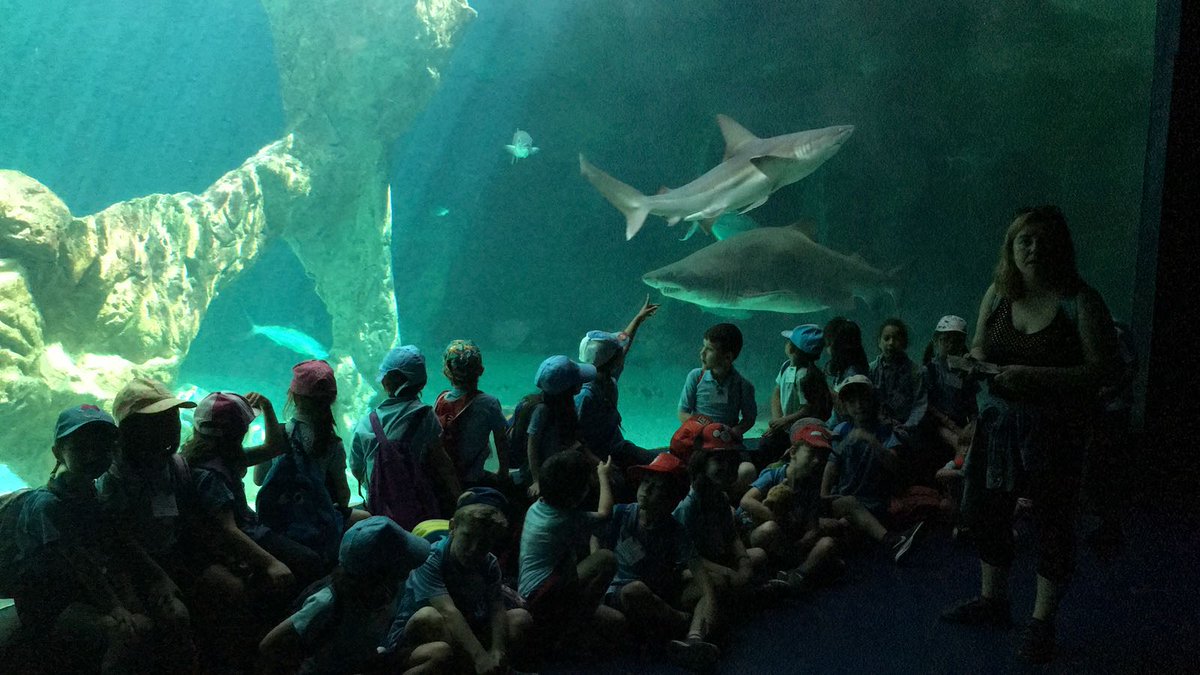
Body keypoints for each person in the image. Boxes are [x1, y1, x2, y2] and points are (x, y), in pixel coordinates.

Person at [940, 205, 1117, 664]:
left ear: (1061, 247)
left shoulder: (1081, 301)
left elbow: (1103, 370)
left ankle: (1042, 621)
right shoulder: (998, 293)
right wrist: (973, 364)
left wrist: (1037, 378)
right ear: (1011, 248)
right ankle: (993, 600)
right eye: (1026, 240)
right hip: (998, 428)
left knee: (1053, 524)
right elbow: (980, 342)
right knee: (985, 513)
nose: (1034, 248)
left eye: (1044, 240)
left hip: (1057, 432)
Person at [10, 405, 192, 673]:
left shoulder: (90, 493)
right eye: (81, 448)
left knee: (165, 619)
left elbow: (115, 543)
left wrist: (158, 578)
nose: (93, 455)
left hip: (83, 591)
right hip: (49, 603)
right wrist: (117, 608)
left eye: (104, 448)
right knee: (128, 633)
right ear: (57, 452)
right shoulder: (47, 505)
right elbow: (80, 562)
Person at [259, 516, 451, 675]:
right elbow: (269, 645)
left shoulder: (387, 589)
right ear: (380, 573)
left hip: (366, 660)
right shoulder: (327, 602)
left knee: (439, 653)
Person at [183, 391, 325, 591]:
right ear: (239, 432)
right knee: (310, 562)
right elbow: (228, 529)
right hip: (241, 540)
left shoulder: (221, 457)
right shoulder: (211, 474)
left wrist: (267, 406)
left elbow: (273, 448)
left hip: (248, 533)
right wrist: (271, 563)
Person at [594, 452, 719, 671]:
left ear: (673, 499)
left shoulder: (675, 531)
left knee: (710, 586)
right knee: (635, 590)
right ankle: (680, 622)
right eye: (645, 482)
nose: (646, 490)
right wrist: (599, 570)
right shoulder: (621, 514)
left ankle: (694, 637)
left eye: (657, 487)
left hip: (659, 593)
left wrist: (706, 614)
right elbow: (594, 534)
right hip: (619, 593)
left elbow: (702, 578)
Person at [394, 488, 533, 674]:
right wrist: (480, 657)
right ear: (453, 527)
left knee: (519, 619)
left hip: (467, 627)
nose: (474, 549)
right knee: (430, 617)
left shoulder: (489, 562)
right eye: (467, 537)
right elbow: (448, 611)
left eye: (484, 542)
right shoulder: (431, 558)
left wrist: (497, 650)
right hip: (426, 638)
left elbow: (497, 606)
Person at [673, 423, 778, 638]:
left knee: (757, 555)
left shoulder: (719, 497)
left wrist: (743, 563)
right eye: (718, 460)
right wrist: (730, 572)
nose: (727, 466)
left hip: (717, 560)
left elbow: (732, 536)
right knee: (720, 582)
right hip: (688, 571)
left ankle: (735, 597)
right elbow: (688, 557)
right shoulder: (689, 505)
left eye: (731, 460)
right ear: (701, 463)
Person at [518, 451, 622, 655]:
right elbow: (604, 514)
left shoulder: (536, 508)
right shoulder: (564, 520)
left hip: (531, 591)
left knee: (617, 623)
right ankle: (573, 631)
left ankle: (572, 624)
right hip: (543, 597)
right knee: (606, 559)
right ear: (577, 493)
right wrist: (602, 475)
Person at [254, 360, 368, 546]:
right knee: (366, 517)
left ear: (293, 396)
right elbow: (343, 497)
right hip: (316, 524)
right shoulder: (332, 443)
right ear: (332, 399)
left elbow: (259, 480)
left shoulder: (277, 435)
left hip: (275, 525)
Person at [351, 346, 462, 527]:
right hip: (419, 509)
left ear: (385, 382)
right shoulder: (425, 416)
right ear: (422, 383)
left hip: (378, 510)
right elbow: (442, 464)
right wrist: (459, 500)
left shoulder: (367, 422)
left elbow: (356, 467)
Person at [820, 376, 923, 564]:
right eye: (852, 401)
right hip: (844, 500)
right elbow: (831, 467)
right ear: (844, 405)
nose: (858, 405)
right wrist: (823, 500)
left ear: (872, 400)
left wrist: (871, 440)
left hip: (874, 503)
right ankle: (892, 541)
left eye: (863, 399)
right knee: (846, 509)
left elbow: (895, 466)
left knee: (844, 526)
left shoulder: (884, 431)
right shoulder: (841, 430)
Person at [738, 424, 841, 591]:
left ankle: (796, 574)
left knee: (827, 543)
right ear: (793, 452)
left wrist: (805, 540)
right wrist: (778, 518)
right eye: (811, 454)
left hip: (791, 542)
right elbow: (746, 501)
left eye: (822, 456)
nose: (817, 461)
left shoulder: (811, 488)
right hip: (759, 536)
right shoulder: (773, 474)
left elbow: (812, 527)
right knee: (770, 529)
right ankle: (794, 570)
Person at [575, 295, 662, 470]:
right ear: (615, 360)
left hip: (615, 447)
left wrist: (638, 319)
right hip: (598, 457)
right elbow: (575, 438)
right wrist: (601, 465)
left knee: (662, 459)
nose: (624, 351)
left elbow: (623, 344)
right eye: (619, 352)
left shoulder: (607, 375)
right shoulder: (585, 395)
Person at [676, 323, 758, 494]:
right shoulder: (695, 377)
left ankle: (725, 499)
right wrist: (700, 428)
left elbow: (749, 418)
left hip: (728, 445)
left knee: (748, 471)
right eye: (703, 347)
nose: (702, 353)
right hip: (699, 441)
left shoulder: (743, 385)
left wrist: (736, 430)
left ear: (728, 357)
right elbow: (683, 411)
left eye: (709, 349)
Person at [434, 341, 511, 490]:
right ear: (480, 370)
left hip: (443, 477)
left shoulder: (440, 400)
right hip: (473, 477)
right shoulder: (489, 403)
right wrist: (503, 472)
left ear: (446, 372)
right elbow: (501, 440)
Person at [521, 355, 598, 500]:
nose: (582, 383)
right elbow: (532, 445)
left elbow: (573, 441)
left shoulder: (564, 408)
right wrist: (536, 480)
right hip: (547, 472)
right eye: (578, 380)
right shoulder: (542, 410)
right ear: (567, 389)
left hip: (558, 464)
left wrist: (597, 463)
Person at [761, 324, 832, 455]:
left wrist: (784, 421)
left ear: (793, 349)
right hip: (786, 427)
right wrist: (778, 421)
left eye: (789, 341)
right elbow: (776, 393)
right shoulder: (786, 366)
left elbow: (809, 409)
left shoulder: (805, 376)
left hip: (804, 430)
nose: (786, 343)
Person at [869, 318, 928, 447]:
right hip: (877, 426)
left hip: (907, 429)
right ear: (879, 342)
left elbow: (920, 404)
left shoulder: (916, 372)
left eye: (896, 339)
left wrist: (906, 427)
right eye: (886, 338)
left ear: (904, 343)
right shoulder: (871, 370)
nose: (891, 343)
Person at [823, 318, 870, 426]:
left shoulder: (853, 374)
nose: (827, 348)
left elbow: (852, 411)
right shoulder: (843, 370)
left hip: (846, 430)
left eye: (829, 343)